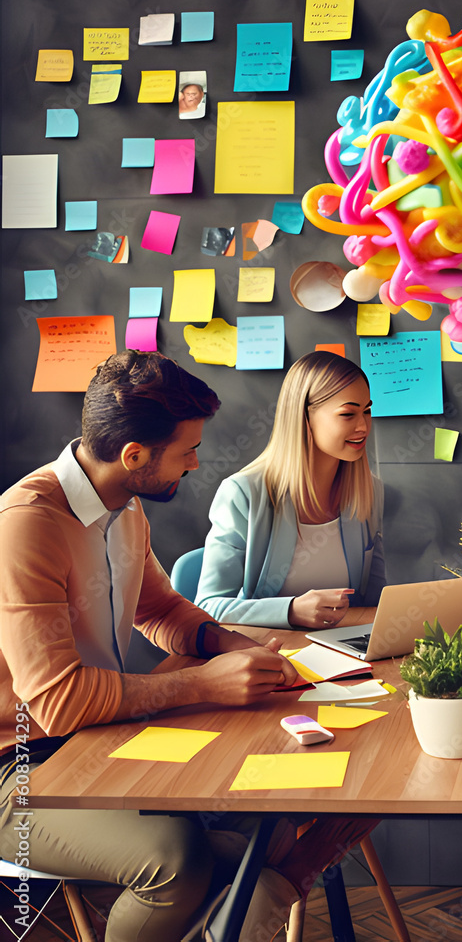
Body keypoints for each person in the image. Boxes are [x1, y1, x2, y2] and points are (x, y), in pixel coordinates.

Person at [0, 351, 375, 942]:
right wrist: (205, 683)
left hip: (96, 741)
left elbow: (163, 611)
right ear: (134, 456)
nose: (197, 464)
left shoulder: (124, 508)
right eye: (187, 452)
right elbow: (58, 702)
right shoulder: (28, 523)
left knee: (266, 821)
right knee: (177, 864)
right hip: (19, 768)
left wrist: (231, 647)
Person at [197, 351, 386, 629]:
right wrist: (290, 610)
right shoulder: (243, 493)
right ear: (304, 418)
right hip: (272, 652)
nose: (363, 427)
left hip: (348, 653)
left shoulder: (369, 490)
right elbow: (208, 606)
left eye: (367, 411)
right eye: (348, 414)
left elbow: (374, 601)